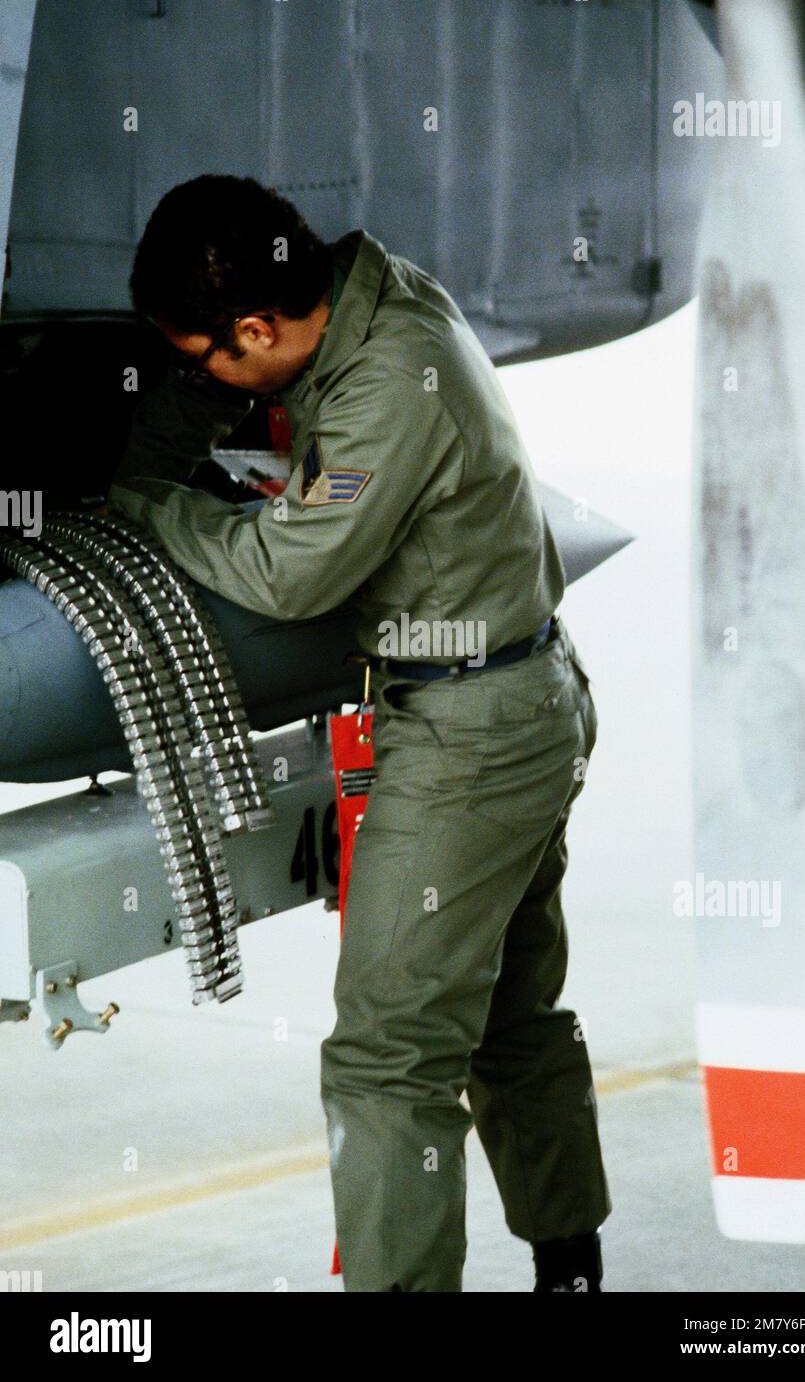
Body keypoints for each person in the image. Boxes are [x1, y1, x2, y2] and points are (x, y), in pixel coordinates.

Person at [108, 174, 612, 1292]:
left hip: (470, 741)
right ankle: (571, 1274)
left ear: (257, 326)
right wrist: (170, 432)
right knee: (510, 1018)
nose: (206, 381)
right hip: (523, 698)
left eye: (208, 359)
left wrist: (143, 503)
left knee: (387, 1062)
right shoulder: (370, 293)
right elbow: (242, 394)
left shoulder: (389, 383)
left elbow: (288, 572)